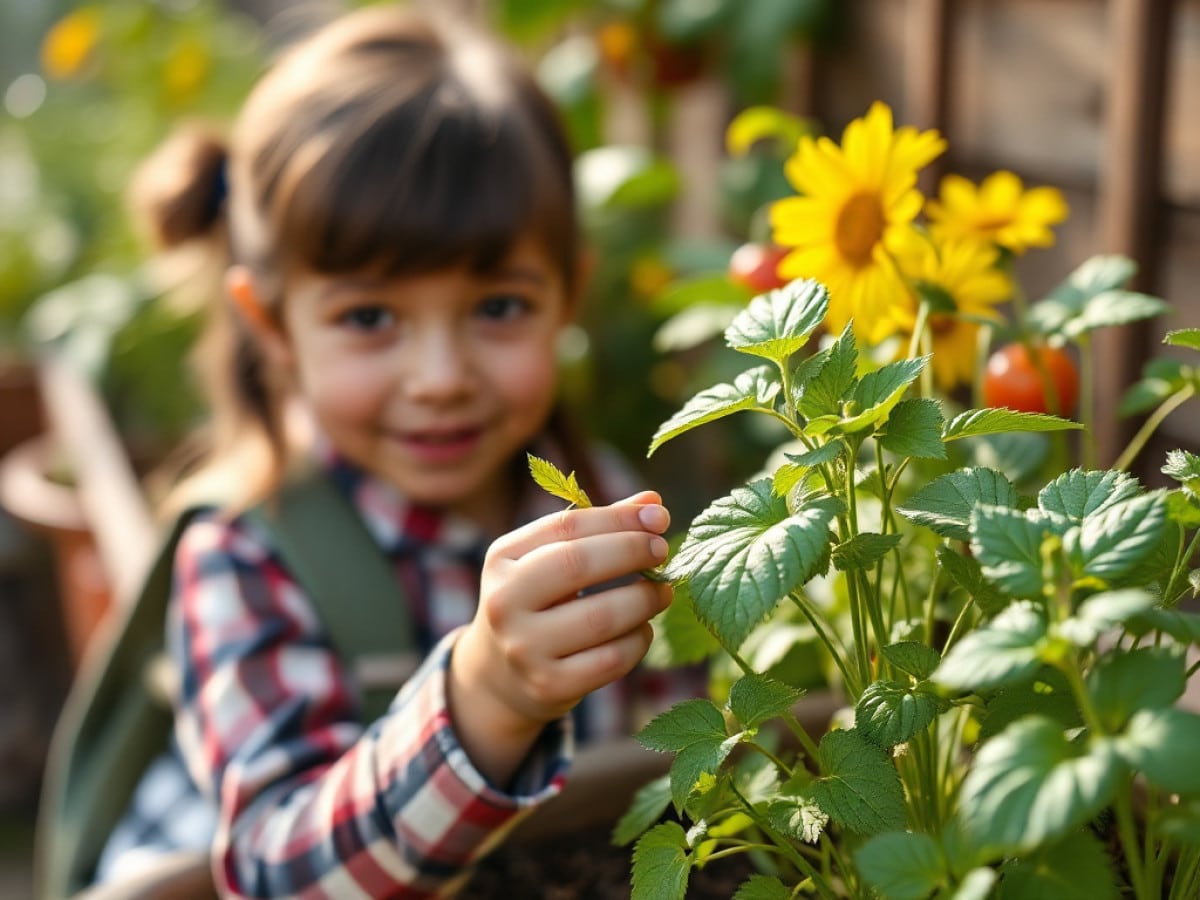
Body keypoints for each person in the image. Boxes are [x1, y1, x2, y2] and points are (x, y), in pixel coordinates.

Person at [92, 4, 688, 895]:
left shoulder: (593, 497)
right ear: (273, 327)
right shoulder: (248, 555)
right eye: (370, 318)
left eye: (497, 307)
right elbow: (275, 871)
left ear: (569, 293)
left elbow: (675, 750)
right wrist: (484, 697)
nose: (440, 377)